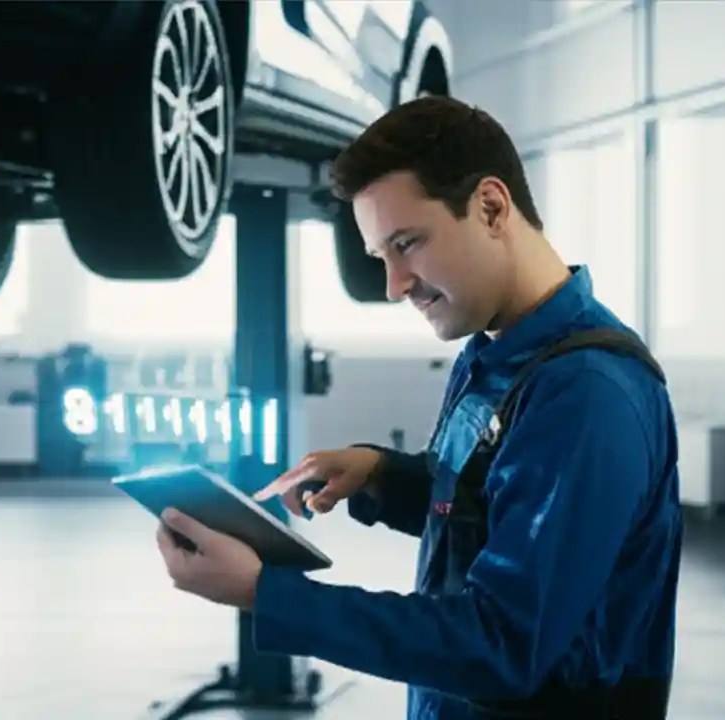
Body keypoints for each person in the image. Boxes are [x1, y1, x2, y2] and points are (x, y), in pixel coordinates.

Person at [153, 96, 681, 719]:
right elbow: (502, 505)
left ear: (490, 207)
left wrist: (268, 596)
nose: (395, 285)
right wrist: (383, 476)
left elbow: (501, 645)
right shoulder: (493, 349)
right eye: (383, 257)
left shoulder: (588, 395)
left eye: (408, 244)